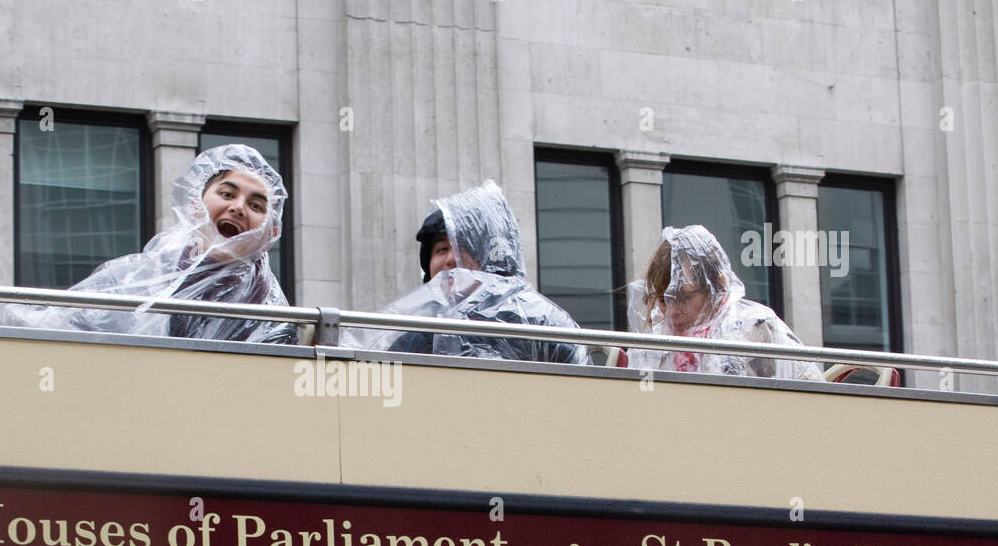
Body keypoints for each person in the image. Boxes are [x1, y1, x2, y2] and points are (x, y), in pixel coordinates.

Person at [0, 144, 295, 344]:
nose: (237, 207)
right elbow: (67, 322)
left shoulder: (269, 309)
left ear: (270, 232)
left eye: (256, 205)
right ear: (195, 203)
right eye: (226, 193)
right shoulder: (138, 275)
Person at [342, 181, 590, 365]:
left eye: (463, 249)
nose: (450, 260)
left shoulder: (537, 321)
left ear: (491, 253)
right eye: (441, 249)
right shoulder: (413, 333)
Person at [627, 225, 822, 380]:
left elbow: (814, 394)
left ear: (719, 286)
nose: (673, 311)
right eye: (664, 300)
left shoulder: (754, 329)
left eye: (684, 298)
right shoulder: (654, 348)